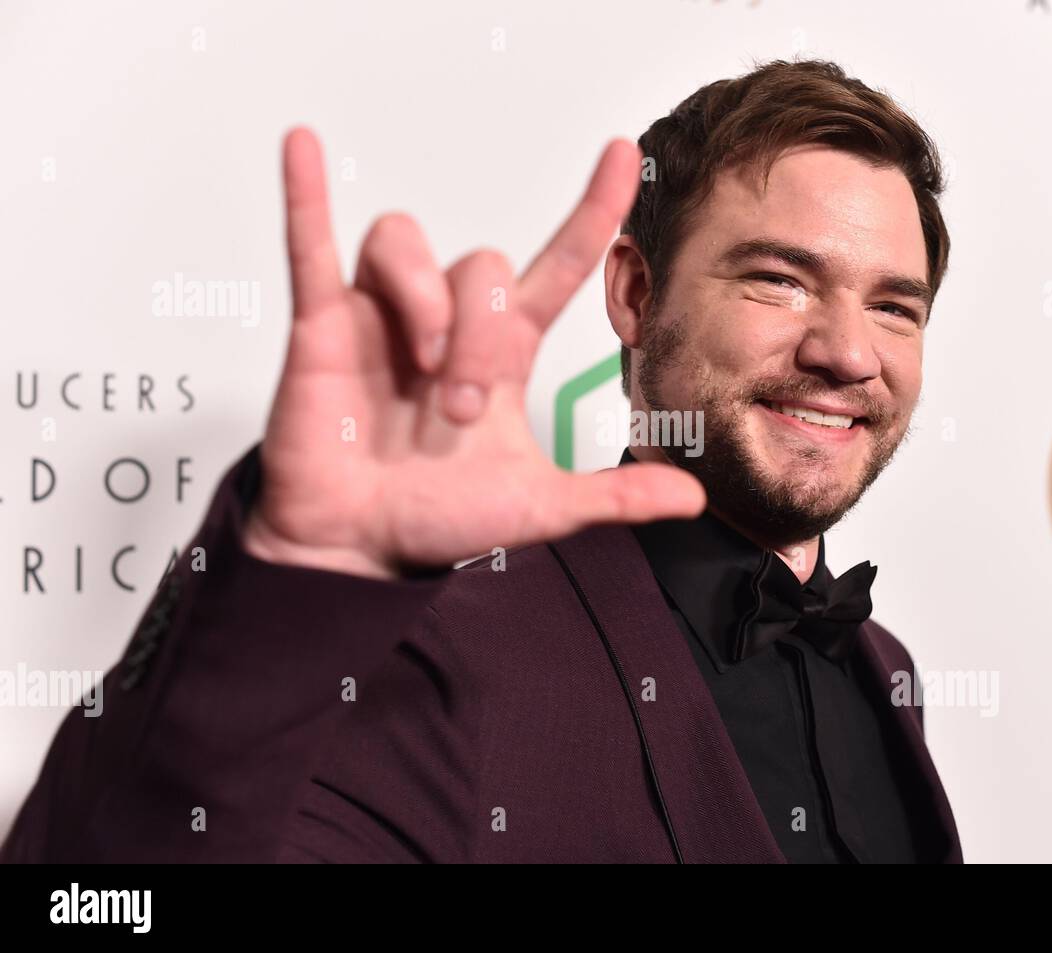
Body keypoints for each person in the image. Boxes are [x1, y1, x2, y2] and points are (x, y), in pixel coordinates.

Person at [1, 58, 960, 863]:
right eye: (780, 280)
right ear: (633, 292)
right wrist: (290, 582)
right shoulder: (442, 653)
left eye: (894, 306)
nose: (847, 351)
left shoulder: (887, 670)